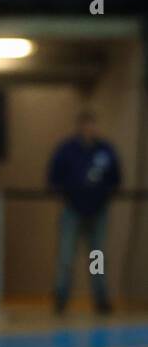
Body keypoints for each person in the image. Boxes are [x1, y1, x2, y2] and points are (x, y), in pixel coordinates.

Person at [48, 111, 120, 314]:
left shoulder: (105, 150)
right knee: (66, 257)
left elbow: (116, 179)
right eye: (86, 125)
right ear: (80, 127)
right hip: (72, 210)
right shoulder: (67, 150)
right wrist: (68, 195)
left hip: (98, 212)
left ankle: (100, 298)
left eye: (92, 125)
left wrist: (102, 196)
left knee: (97, 257)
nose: (89, 129)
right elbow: (53, 177)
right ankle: (61, 298)